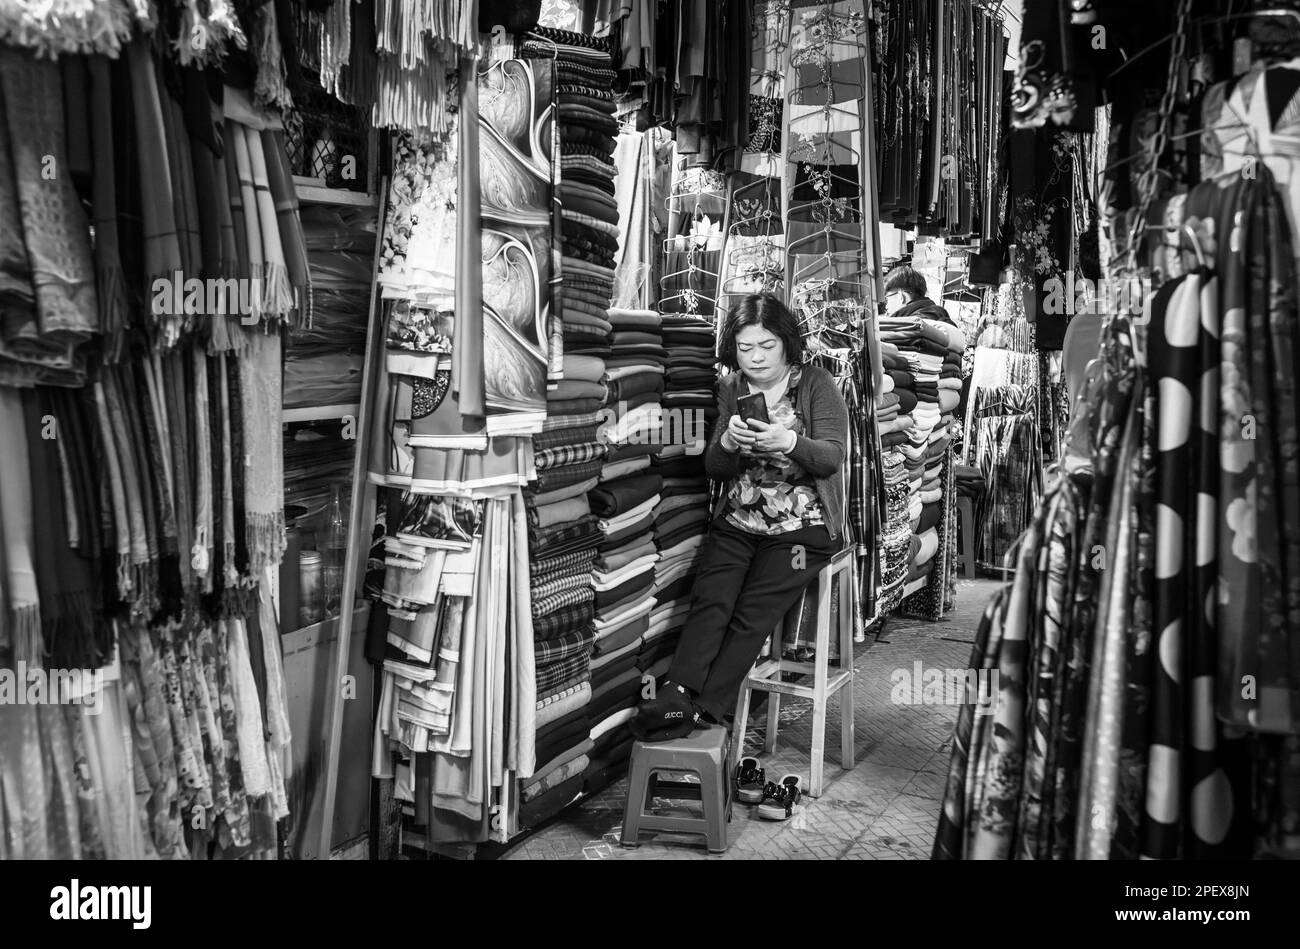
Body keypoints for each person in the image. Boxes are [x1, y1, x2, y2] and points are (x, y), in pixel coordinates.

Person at [633, 294, 850, 741]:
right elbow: (715, 468)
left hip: (800, 529)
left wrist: (788, 442)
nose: (755, 357)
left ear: (787, 342)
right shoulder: (731, 389)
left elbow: (831, 457)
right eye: (745, 347)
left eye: (766, 346)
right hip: (738, 520)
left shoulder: (815, 383)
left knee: (751, 613)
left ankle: (707, 709)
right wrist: (729, 444)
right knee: (712, 600)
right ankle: (676, 692)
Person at [883, 263, 956, 326]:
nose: (886, 306)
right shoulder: (939, 317)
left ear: (900, 296)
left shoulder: (908, 327)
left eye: (887, 299)